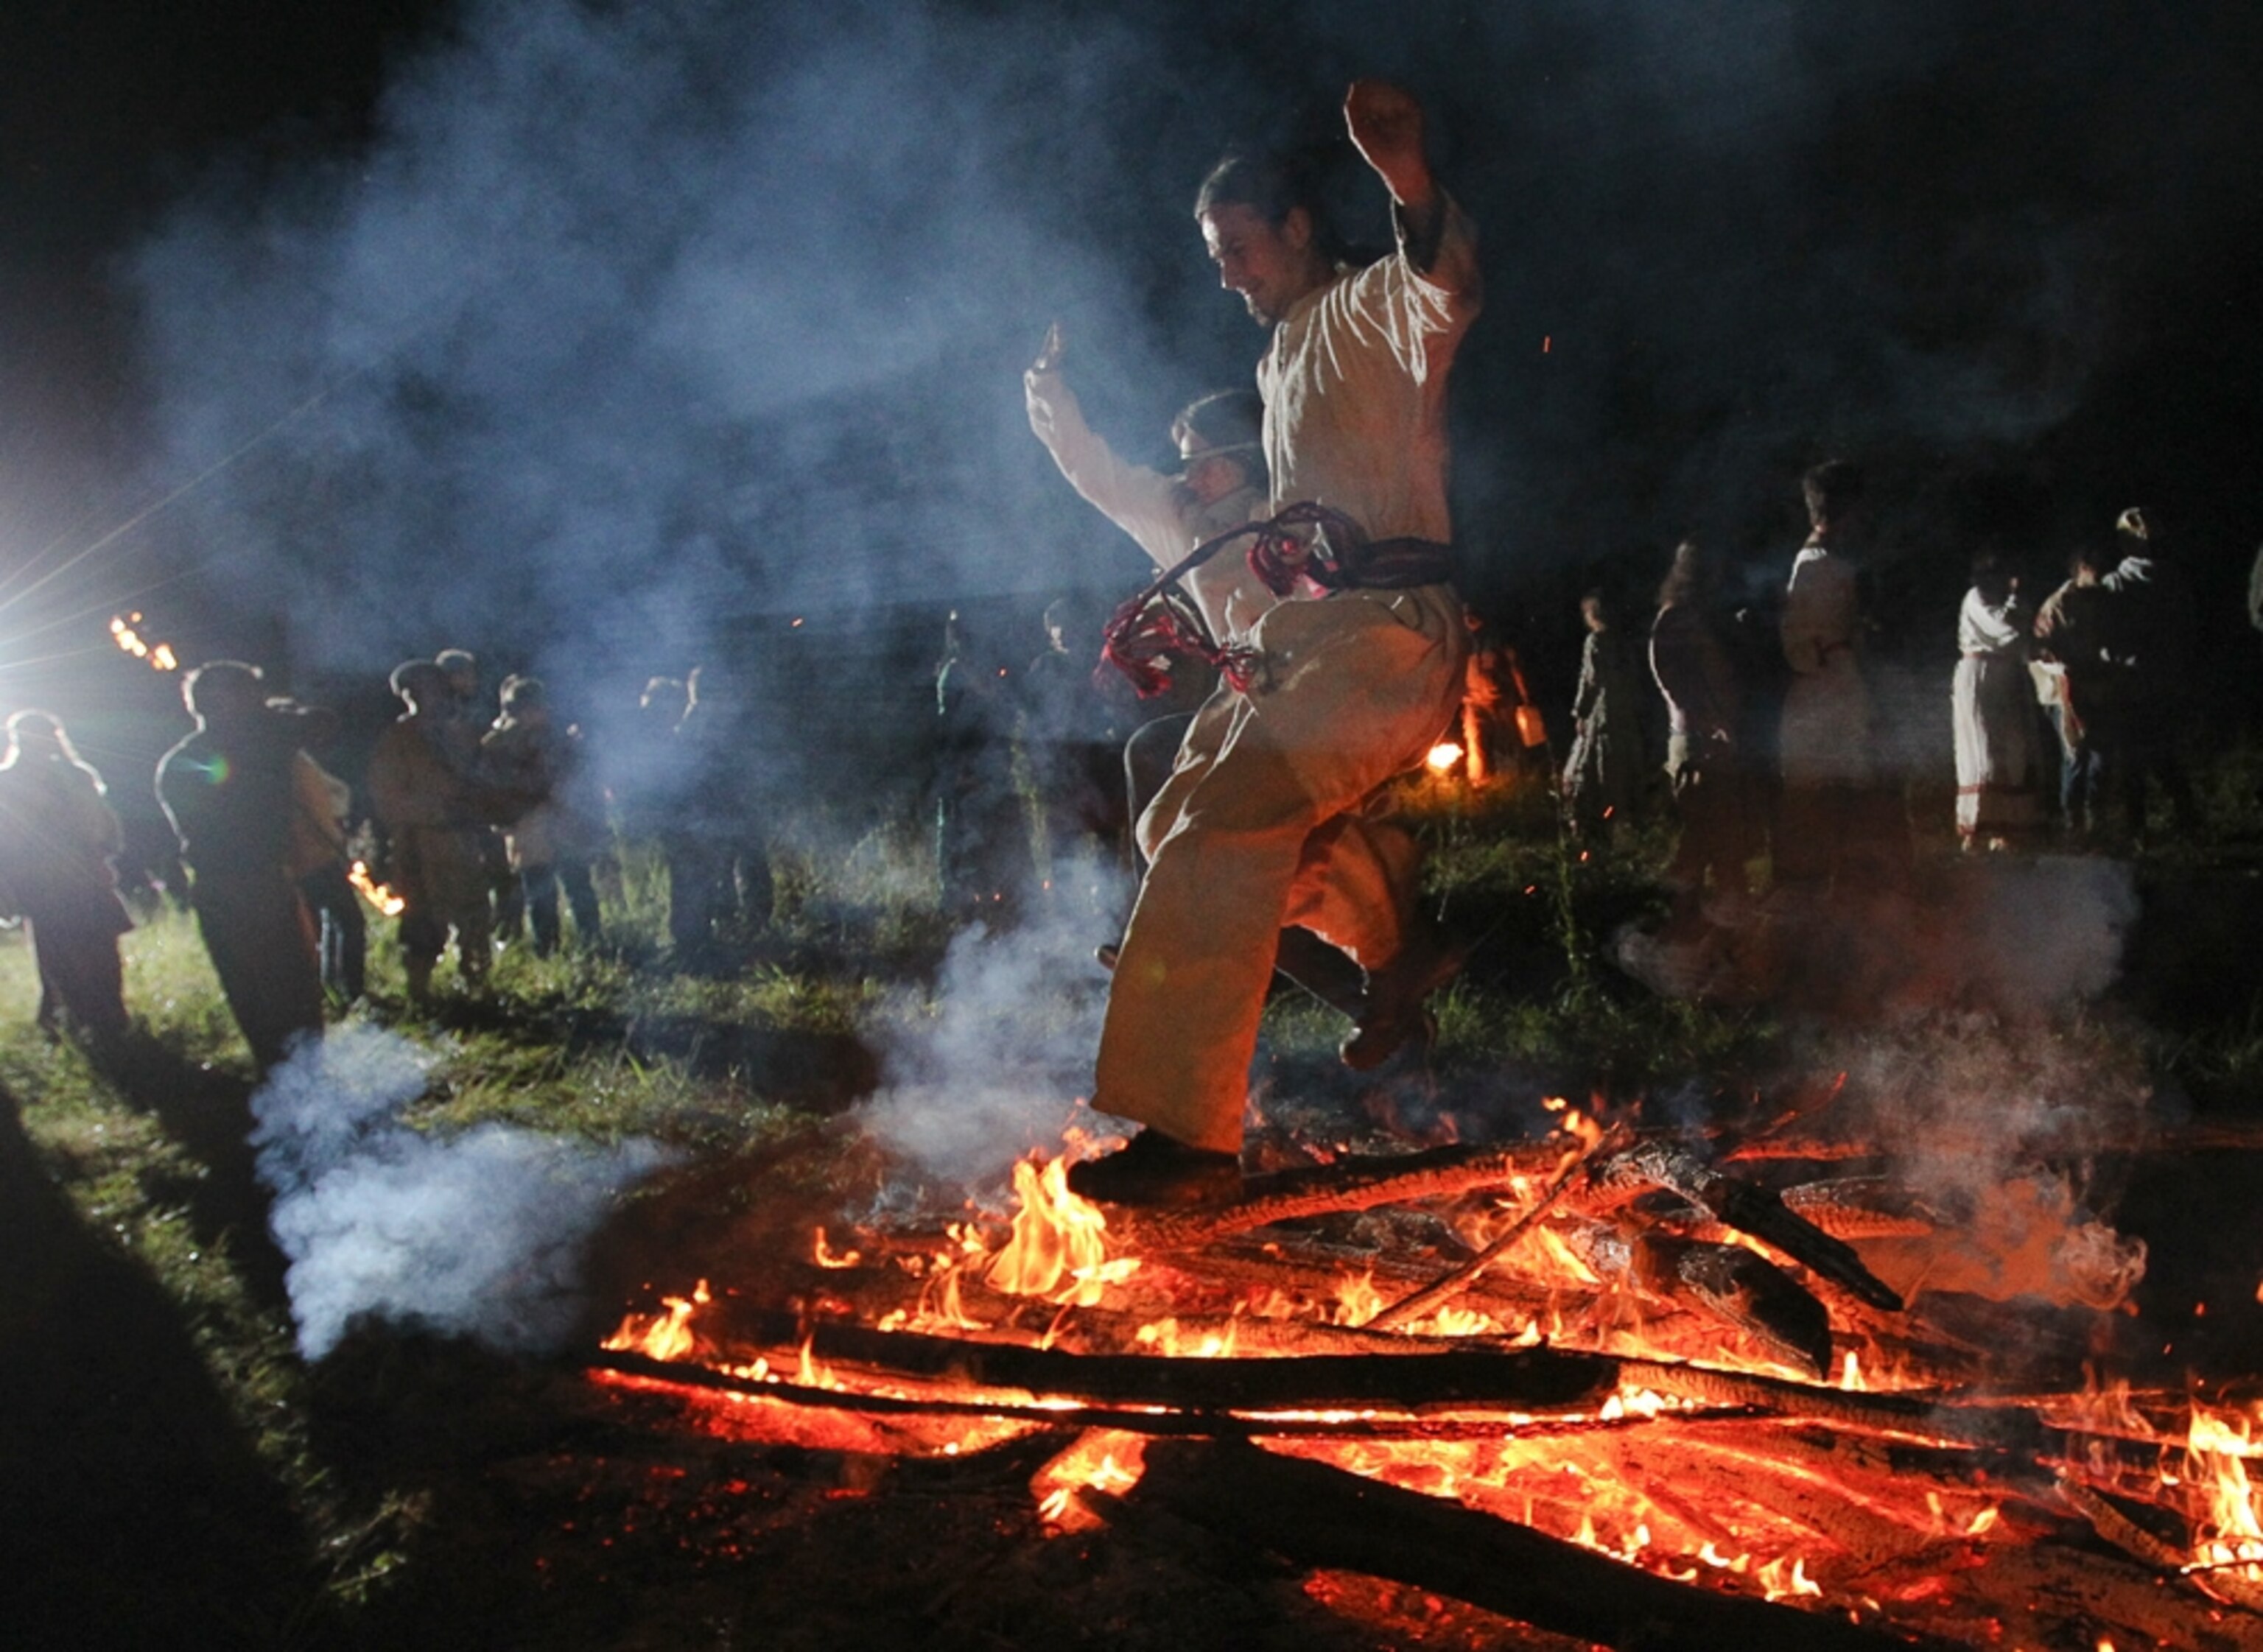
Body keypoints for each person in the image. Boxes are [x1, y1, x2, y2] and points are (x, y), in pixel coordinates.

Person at [1071, 80, 1479, 1205]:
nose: (1226, 270)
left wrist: (1405, 177)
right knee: (1172, 817)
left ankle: (1189, 1140)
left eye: (1238, 245)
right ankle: (1394, 944)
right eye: (1215, 252)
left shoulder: (1366, 310)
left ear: (1298, 229)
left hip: (1391, 638)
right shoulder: (1281, 352)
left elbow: (1441, 288)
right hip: (1315, 640)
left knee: (1226, 830)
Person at [155, 664, 327, 1069]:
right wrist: (271, 722)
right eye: (250, 695)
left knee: (279, 987)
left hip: (253, 882)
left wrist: (270, 720)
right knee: (271, 987)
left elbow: (322, 723)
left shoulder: (238, 749)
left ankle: (296, 1074)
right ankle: (289, 1077)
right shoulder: (216, 756)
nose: (259, 702)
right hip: (241, 885)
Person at [1775, 460, 1904, 892]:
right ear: (1842, 511)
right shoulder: (1814, 567)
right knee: (1831, 796)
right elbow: (1798, 642)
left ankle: (1849, 889)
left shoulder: (1832, 564)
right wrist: (1833, 664)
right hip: (1826, 696)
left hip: (1837, 688)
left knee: (1849, 795)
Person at [0, 711, 133, 1045]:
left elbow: (104, 825)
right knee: (62, 958)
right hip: (43, 885)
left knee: (101, 951)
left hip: (86, 878)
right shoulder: (8, 783)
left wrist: (101, 853)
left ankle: (110, 1017)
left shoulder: (75, 776)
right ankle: (81, 1022)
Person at [366, 658, 495, 1001]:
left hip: (464, 844)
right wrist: (437, 811)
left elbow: (484, 780)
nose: (433, 698)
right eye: (423, 691)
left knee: (475, 920)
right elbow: (388, 799)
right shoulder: (397, 740)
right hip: (420, 849)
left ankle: (478, 988)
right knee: (422, 925)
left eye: (437, 689)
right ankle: (419, 994)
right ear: (408, 695)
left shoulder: (462, 734)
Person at [1648, 543, 1758, 926]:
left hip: (1715, 740)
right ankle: (1679, 919)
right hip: (1696, 742)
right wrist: (1709, 719)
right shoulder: (1675, 619)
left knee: (1725, 834)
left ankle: (1732, 916)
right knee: (1700, 835)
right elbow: (1672, 679)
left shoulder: (1701, 617)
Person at [2094, 507, 2200, 846]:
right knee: (2164, 752)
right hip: (2166, 679)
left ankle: (2138, 829)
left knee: (2132, 761)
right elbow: (2188, 629)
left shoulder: (2115, 583)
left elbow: (2102, 634)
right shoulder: (2175, 581)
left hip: (2128, 680)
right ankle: (2188, 819)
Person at [483, 675, 604, 955]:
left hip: (558, 825)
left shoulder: (548, 739)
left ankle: (586, 945)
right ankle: (554, 948)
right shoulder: (502, 745)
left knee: (572, 889)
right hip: (532, 829)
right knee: (545, 895)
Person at [1951, 553, 2046, 850]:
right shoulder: (1976, 599)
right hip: (1980, 676)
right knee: (1985, 751)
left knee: (2013, 750)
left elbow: (2024, 635)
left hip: (2006, 677)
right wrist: (2017, 599)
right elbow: (2005, 629)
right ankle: (1976, 831)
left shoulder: (2007, 600)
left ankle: (2005, 830)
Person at [1560, 589, 1646, 836]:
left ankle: (1598, 818)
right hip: (1626, 712)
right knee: (1624, 763)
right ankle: (1628, 816)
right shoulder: (1624, 642)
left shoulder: (1596, 641)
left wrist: (1580, 712)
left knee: (1597, 765)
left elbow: (1591, 680)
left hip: (1604, 711)